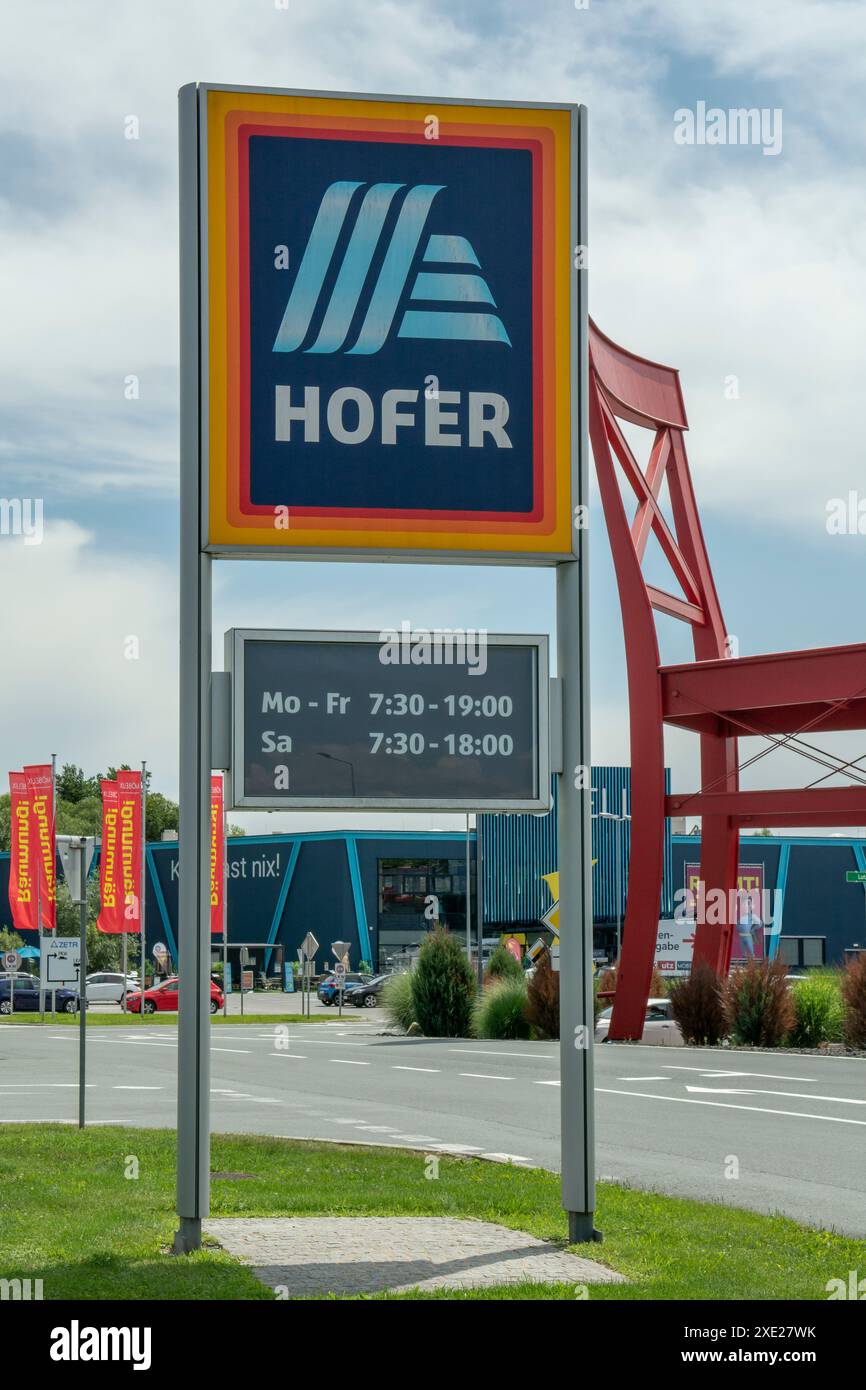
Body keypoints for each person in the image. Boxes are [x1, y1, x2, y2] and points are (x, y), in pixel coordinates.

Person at [736, 891, 761, 960]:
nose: (745, 906)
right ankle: (743, 964)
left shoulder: (752, 916)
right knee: (743, 952)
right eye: (744, 905)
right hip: (741, 936)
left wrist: (752, 929)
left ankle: (752, 962)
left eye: (748, 904)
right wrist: (738, 927)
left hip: (747, 936)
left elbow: (760, 923)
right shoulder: (740, 917)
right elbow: (737, 925)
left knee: (751, 951)